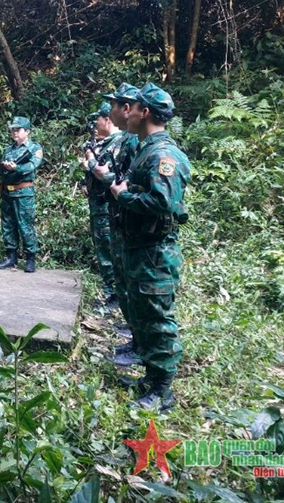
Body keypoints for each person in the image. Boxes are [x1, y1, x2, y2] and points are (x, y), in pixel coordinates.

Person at [110, 83, 191, 411]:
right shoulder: (145, 148)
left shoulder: (163, 154)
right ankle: (151, 377)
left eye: (133, 108)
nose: (126, 114)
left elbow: (162, 201)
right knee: (143, 314)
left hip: (155, 253)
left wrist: (123, 196)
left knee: (157, 318)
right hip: (139, 248)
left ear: (145, 112)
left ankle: (163, 390)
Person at [92, 84, 142, 366]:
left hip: (135, 224)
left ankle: (144, 349)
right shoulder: (129, 141)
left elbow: (130, 182)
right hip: (120, 216)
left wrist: (101, 174)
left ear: (125, 109)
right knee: (126, 277)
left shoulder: (134, 142)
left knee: (135, 282)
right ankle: (136, 337)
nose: (107, 113)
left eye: (112, 106)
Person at [79, 102, 121, 306]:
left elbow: (109, 176)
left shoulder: (119, 142)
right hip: (98, 204)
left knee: (109, 249)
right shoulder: (101, 143)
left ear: (107, 120)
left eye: (98, 119)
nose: (95, 124)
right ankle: (110, 291)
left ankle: (115, 294)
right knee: (102, 248)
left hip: (109, 207)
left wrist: (91, 163)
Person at [0, 116, 43, 273]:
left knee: (25, 225)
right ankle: (11, 256)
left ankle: (30, 258)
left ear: (27, 131)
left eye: (18, 129)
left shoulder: (34, 148)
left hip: (23, 192)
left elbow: (31, 166)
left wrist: (16, 168)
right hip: (7, 191)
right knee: (8, 225)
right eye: (12, 130)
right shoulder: (9, 150)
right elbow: (3, 169)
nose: (14, 132)